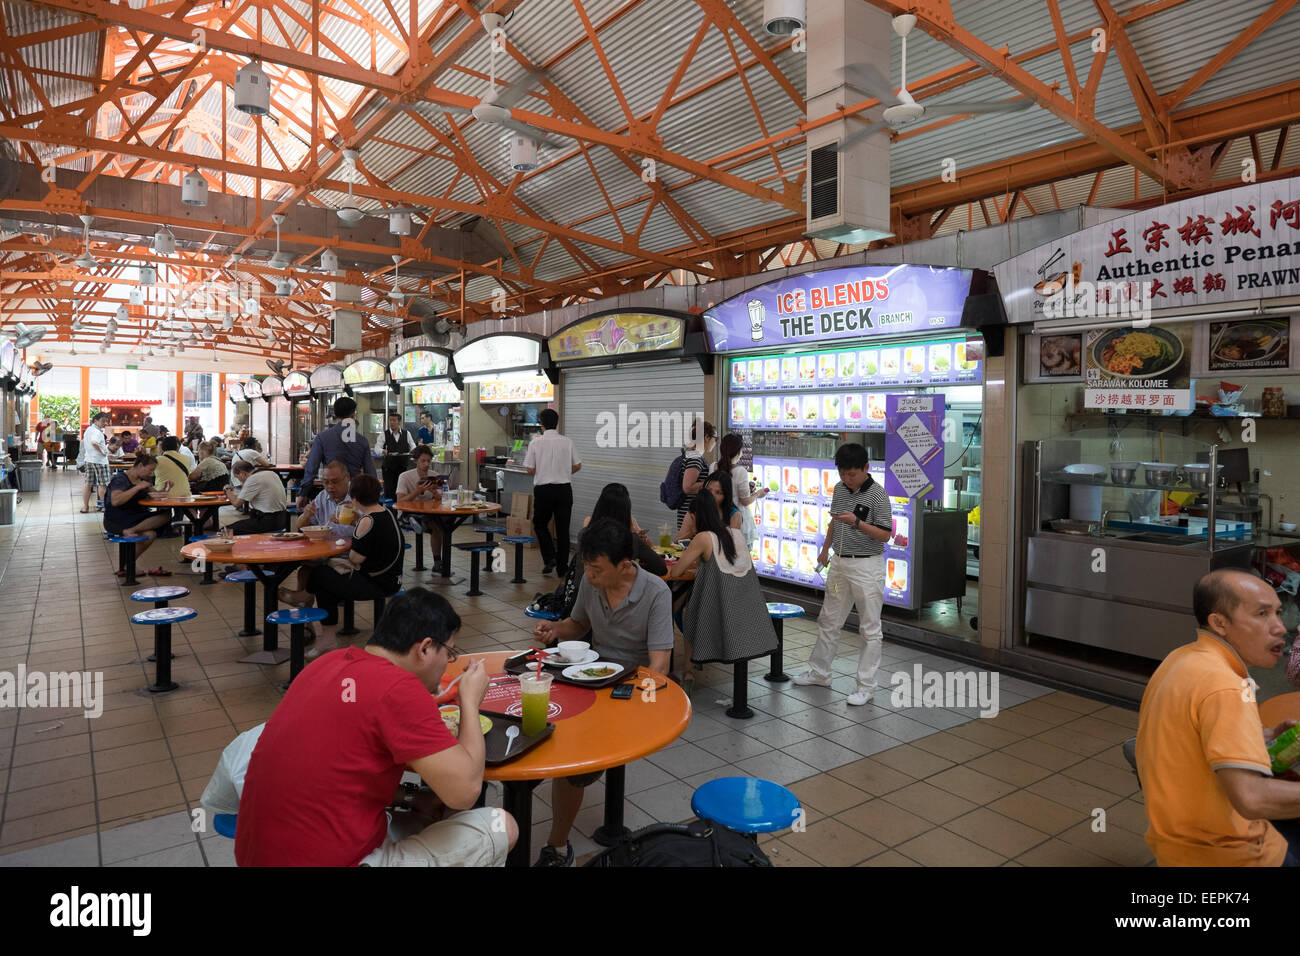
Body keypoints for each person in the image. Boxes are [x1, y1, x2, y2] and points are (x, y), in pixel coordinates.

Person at [234, 588, 516, 866]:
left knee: (428, 814)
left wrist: (412, 796)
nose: (447, 664)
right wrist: (470, 700)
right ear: (426, 647)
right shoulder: (398, 689)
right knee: (501, 825)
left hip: (259, 854)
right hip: (335, 859)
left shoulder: (326, 663)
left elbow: (337, 773)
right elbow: (465, 792)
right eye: (449, 653)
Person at [530, 519, 673, 866]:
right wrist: (555, 630)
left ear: (624, 565)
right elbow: (577, 626)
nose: (589, 576)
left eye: (596, 570)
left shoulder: (655, 592)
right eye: (586, 568)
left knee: (573, 765)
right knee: (537, 724)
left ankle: (558, 848)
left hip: (630, 691)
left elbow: (659, 665)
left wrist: (639, 706)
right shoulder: (591, 584)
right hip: (589, 678)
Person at [1137, 568, 1300, 866]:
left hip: (1174, 842)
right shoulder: (1226, 687)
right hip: (1227, 854)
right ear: (1220, 623)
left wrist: (1261, 735)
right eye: (1262, 614)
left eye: (1278, 612)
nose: (1280, 628)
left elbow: (1192, 737)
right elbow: (1251, 799)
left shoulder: (1183, 658)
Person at [791, 443, 891, 707]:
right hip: (839, 564)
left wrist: (857, 523)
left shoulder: (878, 495)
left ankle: (866, 686)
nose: (847, 480)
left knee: (870, 628)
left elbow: (885, 534)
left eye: (852, 475)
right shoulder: (839, 489)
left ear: (866, 468)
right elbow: (834, 521)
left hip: (867, 567)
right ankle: (820, 673)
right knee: (829, 619)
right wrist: (825, 550)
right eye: (843, 474)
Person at [284, 474, 404, 657]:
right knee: (326, 580)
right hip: (392, 578)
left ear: (354, 498)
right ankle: (328, 638)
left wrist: (356, 529)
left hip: (376, 582)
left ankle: (305, 598)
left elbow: (355, 559)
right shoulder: (385, 513)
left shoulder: (367, 521)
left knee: (320, 574)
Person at [669, 488, 776, 682]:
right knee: (689, 606)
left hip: (718, 607)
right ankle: (692, 667)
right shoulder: (734, 533)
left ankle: (687, 671)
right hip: (747, 607)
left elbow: (676, 572)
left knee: (688, 614)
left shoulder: (703, 538)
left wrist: (691, 533)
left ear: (695, 516)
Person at [524, 407, 581, 576]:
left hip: (544, 490)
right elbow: (578, 465)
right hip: (564, 489)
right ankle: (562, 568)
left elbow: (529, 469)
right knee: (563, 529)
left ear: (541, 423)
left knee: (540, 524)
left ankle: (549, 557)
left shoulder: (536, 442)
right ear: (557, 423)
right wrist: (562, 471)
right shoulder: (567, 441)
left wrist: (544, 470)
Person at [103, 452, 172, 577]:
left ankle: (127, 566)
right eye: (150, 470)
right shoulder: (120, 479)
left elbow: (156, 497)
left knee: (152, 533)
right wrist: (137, 488)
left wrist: (166, 490)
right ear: (140, 465)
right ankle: (130, 532)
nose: (151, 474)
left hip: (134, 516)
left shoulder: (143, 480)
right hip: (116, 518)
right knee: (164, 517)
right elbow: (116, 501)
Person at [300, 396, 377, 508]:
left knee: (329, 523)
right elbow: (370, 473)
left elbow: (311, 468)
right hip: (355, 495)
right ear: (353, 415)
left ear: (335, 415)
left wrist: (304, 493)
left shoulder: (322, 437)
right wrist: (373, 498)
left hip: (331, 492)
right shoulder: (362, 440)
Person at [396, 445, 445, 576]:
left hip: (430, 513)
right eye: (423, 461)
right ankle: (437, 561)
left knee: (440, 524)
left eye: (429, 461)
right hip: (407, 513)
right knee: (436, 526)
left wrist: (434, 490)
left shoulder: (434, 475)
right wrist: (418, 491)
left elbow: (441, 499)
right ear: (415, 461)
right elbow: (400, 501)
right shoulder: (405, 476)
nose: (427, 464)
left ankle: (437, 562)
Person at [719, 432, 765, 546]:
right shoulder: (740, 471)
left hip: (718, 519)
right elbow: (744, 501)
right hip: (736, 520)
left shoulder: (713, 467)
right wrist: (758, 494)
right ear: (739, 452)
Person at [223, 459, 289, 534]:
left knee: (225, 531)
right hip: (282, 519)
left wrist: (227, 489)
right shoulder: (271, 473)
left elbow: (236, 503)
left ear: (243, 473)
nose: (239, 480)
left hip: (266, 522)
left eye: (237, 477)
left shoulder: (252, 479)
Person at [672, 420, 715, 534]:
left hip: (689, 514)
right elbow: (688, 487)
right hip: (691, 516)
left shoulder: (691, 454)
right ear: (706, 437)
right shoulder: (695, 457)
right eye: (716, 438)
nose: (715, 442)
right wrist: (710, 482)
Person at [676, 471, 743, 540]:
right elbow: (677, 541)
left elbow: (734, 544)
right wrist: (692, 532)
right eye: (708, 490)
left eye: (718, 492)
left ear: (726, 496)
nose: (711, 495)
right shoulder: (695, 511)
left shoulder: (734, 515)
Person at [377, 411, 415, 501]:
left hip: (403, 468)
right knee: (389, 491)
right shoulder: (384, 434)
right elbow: (377, 448)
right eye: (390, 420)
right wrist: (382, 451)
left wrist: (413, 450)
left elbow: (412, 445)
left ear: (399, 422)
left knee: (402, 491)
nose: (392, 422)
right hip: (388, 469)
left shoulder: (407, 433)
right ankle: (390, 512)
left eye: (394, 420)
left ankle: (402, 511)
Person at [80, 412, 112, 514]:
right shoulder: (97, 432)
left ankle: (85, 507)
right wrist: (102, 452)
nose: (105, 423)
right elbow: (94, 443)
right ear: (95, 421)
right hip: (100, 461)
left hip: (88, 460)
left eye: (106, 421)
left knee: (88, 484)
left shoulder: (88, 430)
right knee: (102, 484)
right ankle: (104, 507)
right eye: (103, 421)